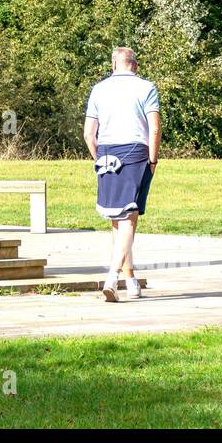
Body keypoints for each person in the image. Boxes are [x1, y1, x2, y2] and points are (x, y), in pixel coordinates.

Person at [84, 47, 160, 302]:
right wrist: (153, 158)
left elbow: (88, 134)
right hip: (135, 151)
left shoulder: (99, 89)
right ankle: (112, 278)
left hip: (106, 152)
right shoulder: (146, 88)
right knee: (129, 218)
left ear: (113, 64)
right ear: (135, 65)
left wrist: (98, 158)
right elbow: (155, 127)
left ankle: (131, 280)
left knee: (117, 219)